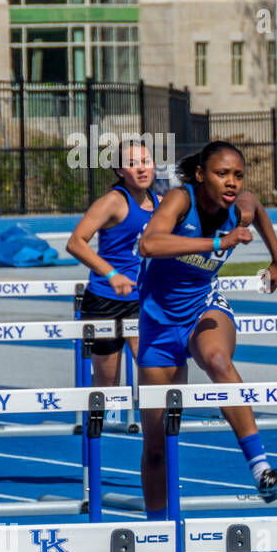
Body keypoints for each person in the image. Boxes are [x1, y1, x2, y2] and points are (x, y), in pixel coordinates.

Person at [137, 142, 277, 552]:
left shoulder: (242, 207)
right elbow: (148, 243)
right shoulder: (180, 199)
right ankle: (158, 549)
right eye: (222, 174)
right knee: (156, 446)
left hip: (203, 308)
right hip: (157, 323)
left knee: (217, 360)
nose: (232, 183)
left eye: (238, 174)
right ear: (201, 175)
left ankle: (262, 471)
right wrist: (218, 242)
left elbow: (260, 211)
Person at [66, 139, 159, 389]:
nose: (141, 168)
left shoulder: (162, 203)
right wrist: (112, 274)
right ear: (120, 170)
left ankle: (158, 427)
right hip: (106, 299)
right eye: (132, 164)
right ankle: (94, 424)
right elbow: (76, 242)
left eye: (145, 162)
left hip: (142, 300)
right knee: (108, 383)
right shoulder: (114, 201)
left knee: (154, 371)